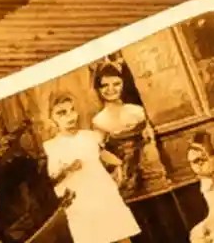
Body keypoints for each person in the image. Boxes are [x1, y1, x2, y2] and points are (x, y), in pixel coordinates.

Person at [41, 93, 141, 243]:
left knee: (121, 236)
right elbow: (51, 179)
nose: (70, 116)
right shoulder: (51, 147)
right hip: (81, 204)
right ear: (52, 119)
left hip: (104, 195)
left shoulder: (89, 136)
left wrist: (119, 166)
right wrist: (67, 170)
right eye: (62, 113)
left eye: (72, 110)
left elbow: (102, 154)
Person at [90, 62, 165, 197]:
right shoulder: (98, 121)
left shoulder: (137, 111)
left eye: (116, 84)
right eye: (105, 85)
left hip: (150, 171)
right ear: (98, 88)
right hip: (123, 180)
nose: (111, 89)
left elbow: (150, 142)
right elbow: (99, 153)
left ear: (123, 84)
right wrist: (118, 166)